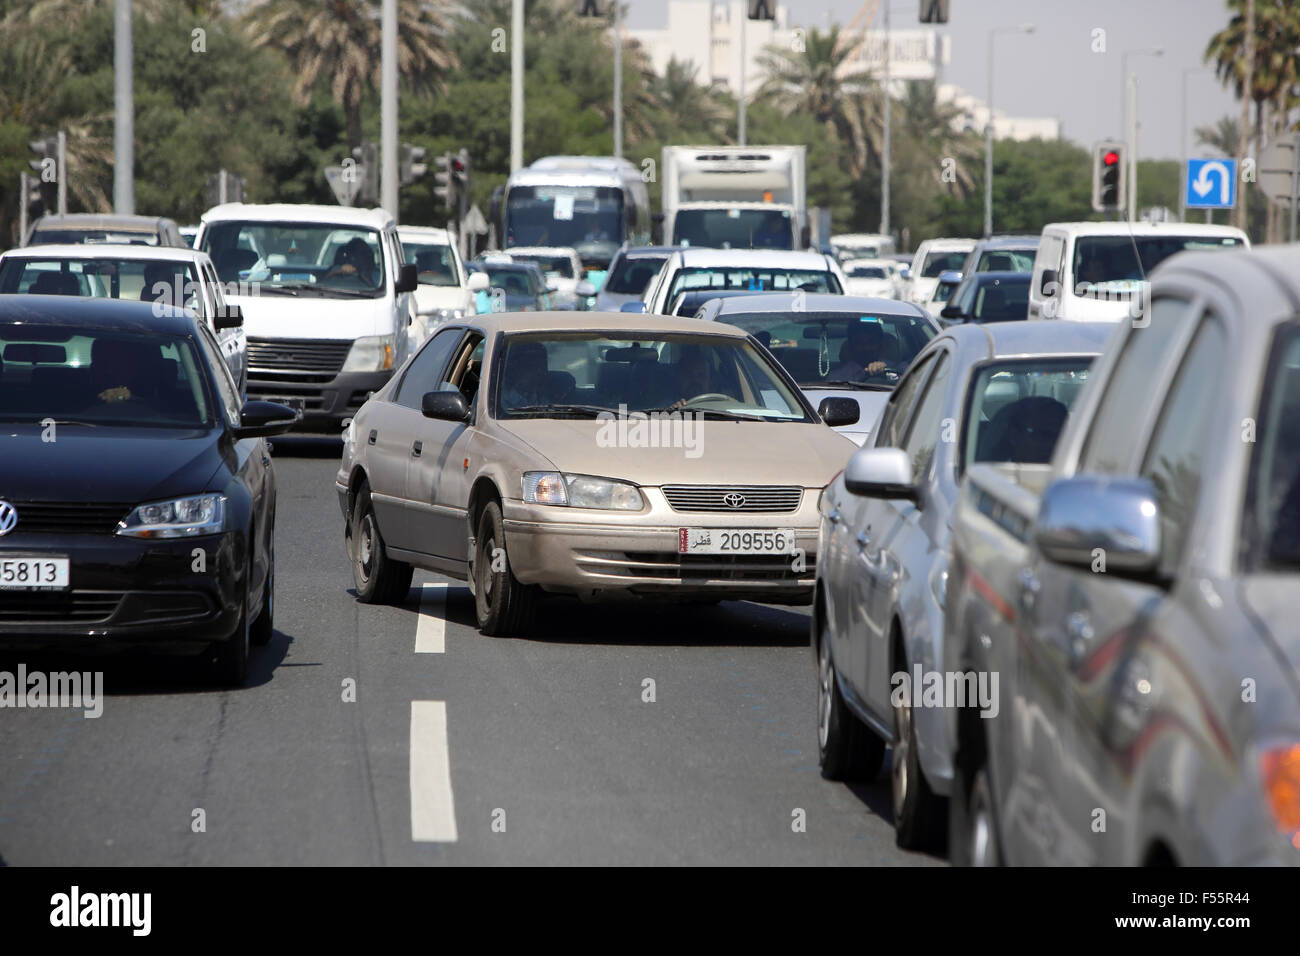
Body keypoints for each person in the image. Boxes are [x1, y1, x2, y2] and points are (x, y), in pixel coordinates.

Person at [500, 341, 552, 409]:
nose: (539, 372)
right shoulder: (499, 402)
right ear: (515, 370)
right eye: (531, 367)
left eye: (541, 367)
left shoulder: (549, 398)